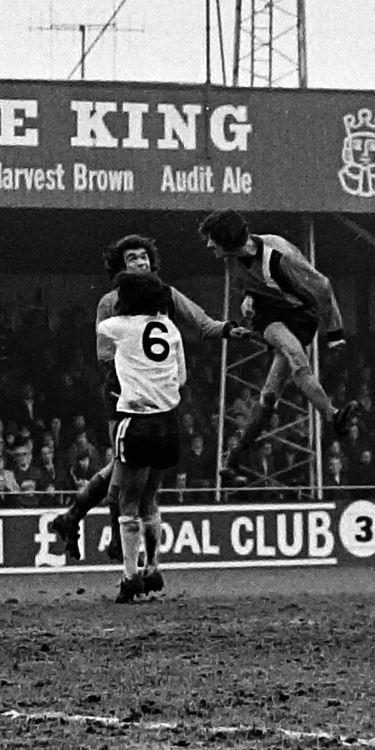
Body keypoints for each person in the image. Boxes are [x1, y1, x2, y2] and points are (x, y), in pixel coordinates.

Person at [48, 234, 236, 563]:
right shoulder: (110, 302)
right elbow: (104, 355)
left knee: (125, 468)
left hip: (158, 397)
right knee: (127, 471)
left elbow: (203, 324)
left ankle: (73, 518)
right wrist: (140, 369)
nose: (140, 261)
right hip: (124, 396)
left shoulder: (167, 295)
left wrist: (231, 329)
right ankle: (120, 543)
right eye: (132, 258)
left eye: (143, 256)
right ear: (120, 268)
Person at [197, 209, 360, 478]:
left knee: (269, 396)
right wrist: (248, 299)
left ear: (227, 239)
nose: (208, 245)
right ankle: (333, 415)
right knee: (295, 356)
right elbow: (247, 286)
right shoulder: (232, 259)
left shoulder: (278, 253)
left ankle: (233, 459)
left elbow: (323, 286)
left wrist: (335, 332)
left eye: (212, 239)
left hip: (300, 316)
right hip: (269, 317)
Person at [94, 270, 206, 602]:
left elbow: (103, 330)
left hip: (137, 423)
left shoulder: (119, 326)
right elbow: (181, 378)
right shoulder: (170, 328)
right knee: (151, 498)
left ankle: (130, 577)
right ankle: (153, 567)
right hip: (169, 424)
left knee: (128, 501)